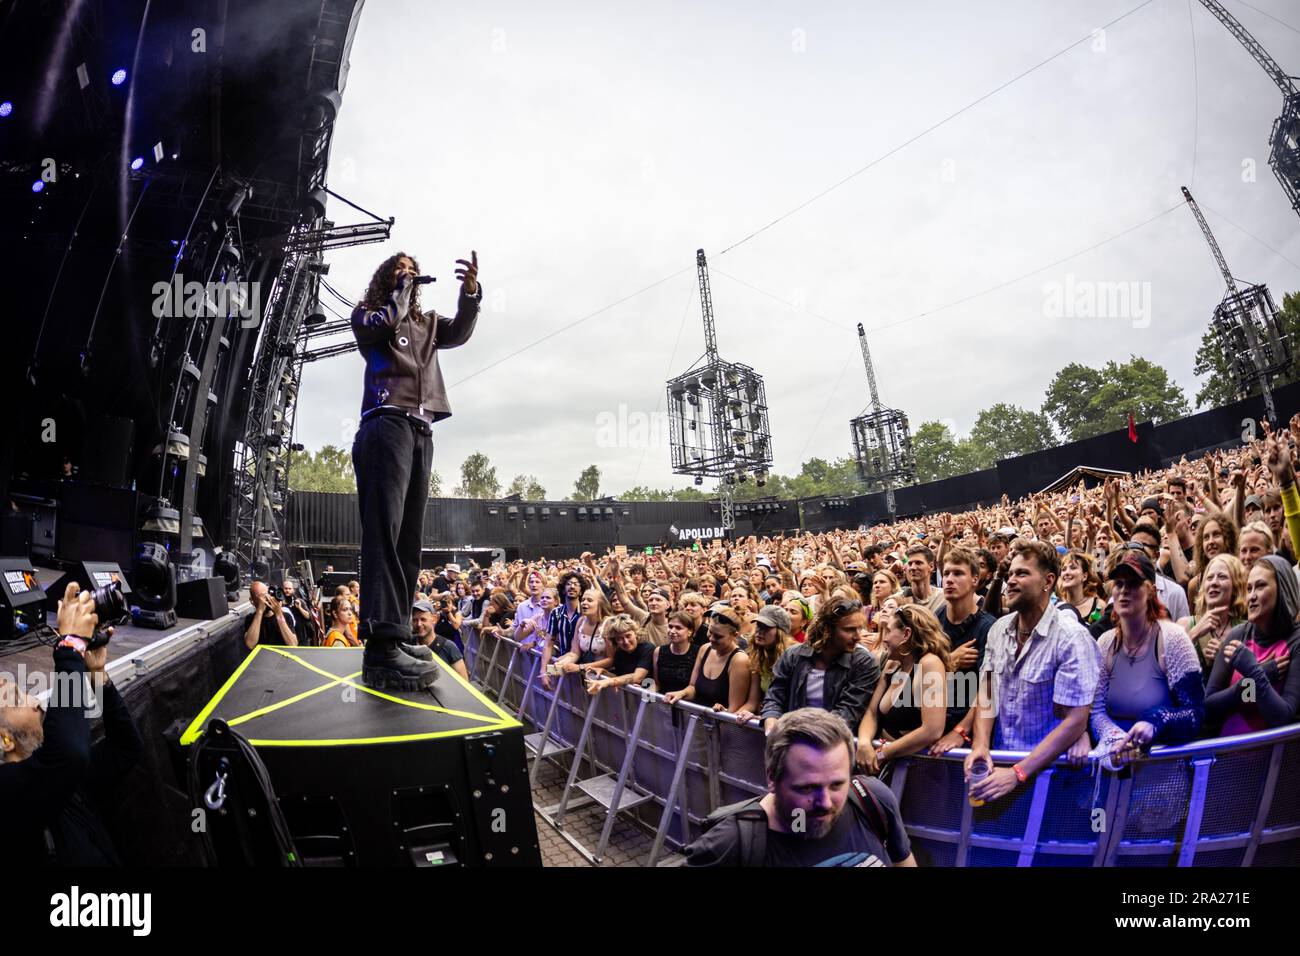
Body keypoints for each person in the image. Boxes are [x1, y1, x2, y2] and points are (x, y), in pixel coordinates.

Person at [350, 249, 481, 690]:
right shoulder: (369, 315)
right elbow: (385, 322)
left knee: (409, 538)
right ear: (387, 280)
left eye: (413, 272)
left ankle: (399, 632)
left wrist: (470, 295)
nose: (410, 277)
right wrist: (401, 295)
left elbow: (460, 332)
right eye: (400, 273)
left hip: (421, 429)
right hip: (386, 423)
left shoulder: (427, 325)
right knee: (384, 534)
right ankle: (380, 645)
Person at [3, 582, 143, 865]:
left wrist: (96, 675)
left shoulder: (62, 777)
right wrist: (70, 647)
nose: (35, 701)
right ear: (5, 739)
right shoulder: (9, 794)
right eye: (18, 699)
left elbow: (126, 748)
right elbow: (69, 753)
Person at [683, 709, 915, 867]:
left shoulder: (873, 800)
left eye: (837, 784)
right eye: (806, 788)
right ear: (772, 778)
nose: (824, 802)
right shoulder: (729, 846)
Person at [966, 542, 1100, 803]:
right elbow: (986, 693)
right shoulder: (998, 630)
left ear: (1048, 581)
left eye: (1022, 574)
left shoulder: (1071, 637)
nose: (1011, 582)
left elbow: (1075, 720)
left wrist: (1018, 773)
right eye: (1010, 575)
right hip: (999, 770)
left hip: (1053, 777)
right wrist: (980, 745)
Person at [1090, 550, 1204, 764]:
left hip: (1163, 772)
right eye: (1119, 584)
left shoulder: (1173, 639)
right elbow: (1095, 711)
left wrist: (1156, 721)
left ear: (1151, 591)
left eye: (1133, 584)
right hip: (1115, 766)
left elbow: (1194, 714)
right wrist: (1117, 739)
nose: (1124, 591)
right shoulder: (1105, 643)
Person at [1204, 554, 1300, 734]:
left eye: (1261, 586)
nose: (1252, 596)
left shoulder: (1296, 641)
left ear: (1283, 589)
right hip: (1230, 755)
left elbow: (1282, 718)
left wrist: (1254, 672)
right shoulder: (1238, 636)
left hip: (1276, 759)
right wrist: (1259, 675)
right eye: (1249, 588)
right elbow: (1209, 707)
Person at [760, 595, 880, 734]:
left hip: (832, 746)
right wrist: (771, 722)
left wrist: (800, 733)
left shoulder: (864, 663)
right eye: (849, 630)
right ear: (827, 629)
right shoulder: (793, 655)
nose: (858, 636)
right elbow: (775, 696)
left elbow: (846, 714)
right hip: (791, 742)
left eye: (859, 629)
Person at [857, 604, 952, 774]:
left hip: (920, 773)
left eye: (888, 631)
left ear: (906, 634)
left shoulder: (930, 664)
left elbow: (932, 730)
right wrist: (864, 743)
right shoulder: (892, 664)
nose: (883, 638)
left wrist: (883, 754)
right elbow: (872, 712)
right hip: (890, 766)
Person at [663, 603, 751, 712]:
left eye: (718, 636)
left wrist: (723, 712)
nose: (712, 639)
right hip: (696, 718)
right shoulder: (705, 649)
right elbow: (693, 688)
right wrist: (681, 693)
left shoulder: (739, 660)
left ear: (735, 635)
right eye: (710, 632)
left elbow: (734, 708)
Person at [1177, 554, 1247, 671]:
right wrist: (1195, 632)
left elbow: (1251, 683)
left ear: (1235, 586)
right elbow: (1167, 668)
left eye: (1222, 577)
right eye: (1209, 578)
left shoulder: (1245, 630)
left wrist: (1227, 660)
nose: (1214, 583)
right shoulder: (1185, 624)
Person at [586, 616, 653, 695]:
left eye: (628, 636)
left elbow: (637, 677)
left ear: (635, 633)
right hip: (629, 698)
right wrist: (604, 673)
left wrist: (608, 681)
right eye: (620, 639)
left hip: (649, 698)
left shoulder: (647, 648)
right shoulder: (619, 652)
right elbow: (619, 676)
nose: (626, 642)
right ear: (615, 640)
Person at [411, 600, 469, 680]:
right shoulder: (407, 645)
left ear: (434, 619)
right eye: (415, 620)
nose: (419, 624)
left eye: (423, 619)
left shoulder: (449, 647)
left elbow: (464, 682)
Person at [652, 611, 699, 695]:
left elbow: (695, 687)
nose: (672, 631)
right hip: (663, 703)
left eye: (678, 628)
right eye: (670, 626)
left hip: (687, 704)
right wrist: (645, 690)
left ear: (690, 632)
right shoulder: (658, 651)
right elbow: (657, 683)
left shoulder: (698, 653)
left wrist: (680, 694)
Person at [243, 580, 298, 650]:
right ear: (252, 601)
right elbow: (250, 645)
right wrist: (260, 612)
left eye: (268, 595)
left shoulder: (286, 616)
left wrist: (278, 614)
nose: (266, 599)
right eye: (262, 597)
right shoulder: (250, 619)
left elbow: (293, 645)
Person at [900, 545, 944, 614]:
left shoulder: (942, 598)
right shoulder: (899, 599)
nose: (913, 567)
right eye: (910, 564)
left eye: (918, 563)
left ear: (931, 566)